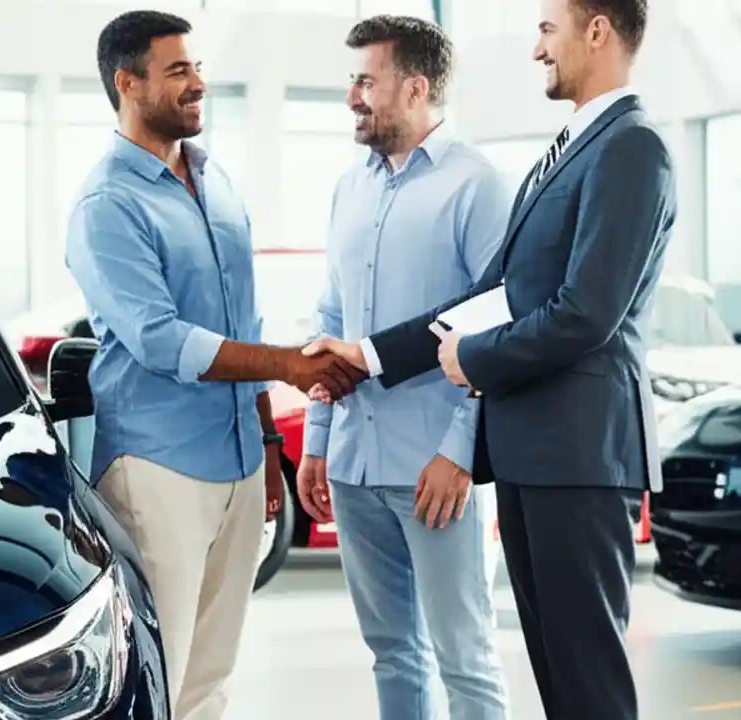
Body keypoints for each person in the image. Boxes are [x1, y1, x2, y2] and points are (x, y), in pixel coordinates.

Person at [307, 1, 671, 718]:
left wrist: (470, 360)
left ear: (596, 30)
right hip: (537, 454)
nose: (537, 50)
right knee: (560, 676)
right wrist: (370, 355)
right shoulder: (565, 152)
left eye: (546, 29)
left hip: (581, 455)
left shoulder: (633, 147)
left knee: (587, 681)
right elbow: (494, 296)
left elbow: (586, 314)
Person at [64, 10, 364, 720]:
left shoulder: (215, 179)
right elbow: (160, 340)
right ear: (127, 83)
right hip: (157, 465)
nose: (199, 84)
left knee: (210, 675)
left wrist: (263, 440)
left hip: (233, 459)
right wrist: (290, 366)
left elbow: (241, 322)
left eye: (197, 68)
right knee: (155, 673)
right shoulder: (107, 203)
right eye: (178, 71)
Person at [294, 15, 511, 720]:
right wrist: (319, 444)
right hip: (356, 465)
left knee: (465, 657)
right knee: (392, 649)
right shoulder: (347, 188)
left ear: (416, 87)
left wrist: (460, 452)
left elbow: (494, 322)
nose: (353, 97)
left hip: (434, 471)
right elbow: (333, 321)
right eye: (351, 81)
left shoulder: (477, 185)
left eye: (367, 81)